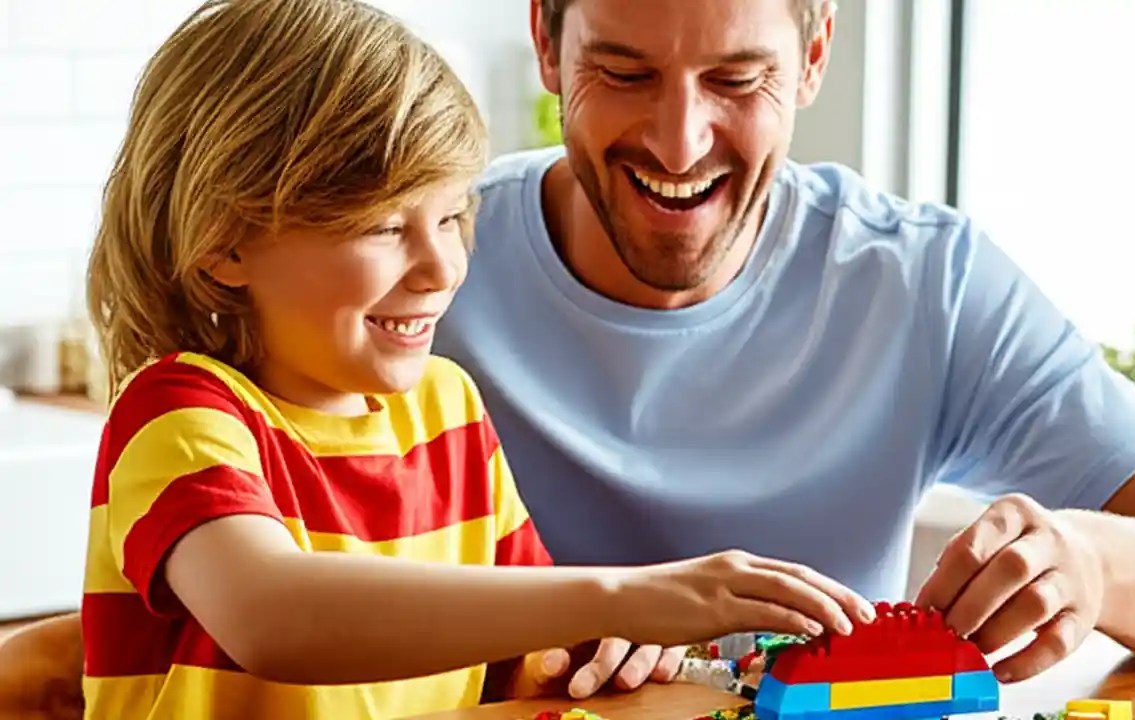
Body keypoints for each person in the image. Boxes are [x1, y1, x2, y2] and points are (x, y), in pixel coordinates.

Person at [0, 1, 879, 718]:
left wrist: (603, 654)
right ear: (226, 245)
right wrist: (621, 595)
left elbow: (521, 661)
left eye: (453, 217)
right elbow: (274, 616)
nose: (440, 268)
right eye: (385, 228)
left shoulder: (447, 408)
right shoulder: (182, 416)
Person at [432, 0, 1135, 698]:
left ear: (813, 55)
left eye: (737, 79)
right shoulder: (422, 265)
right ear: (547, 40)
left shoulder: (921, 281)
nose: (678, 141)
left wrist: (1093, 564)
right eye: (624, 73)